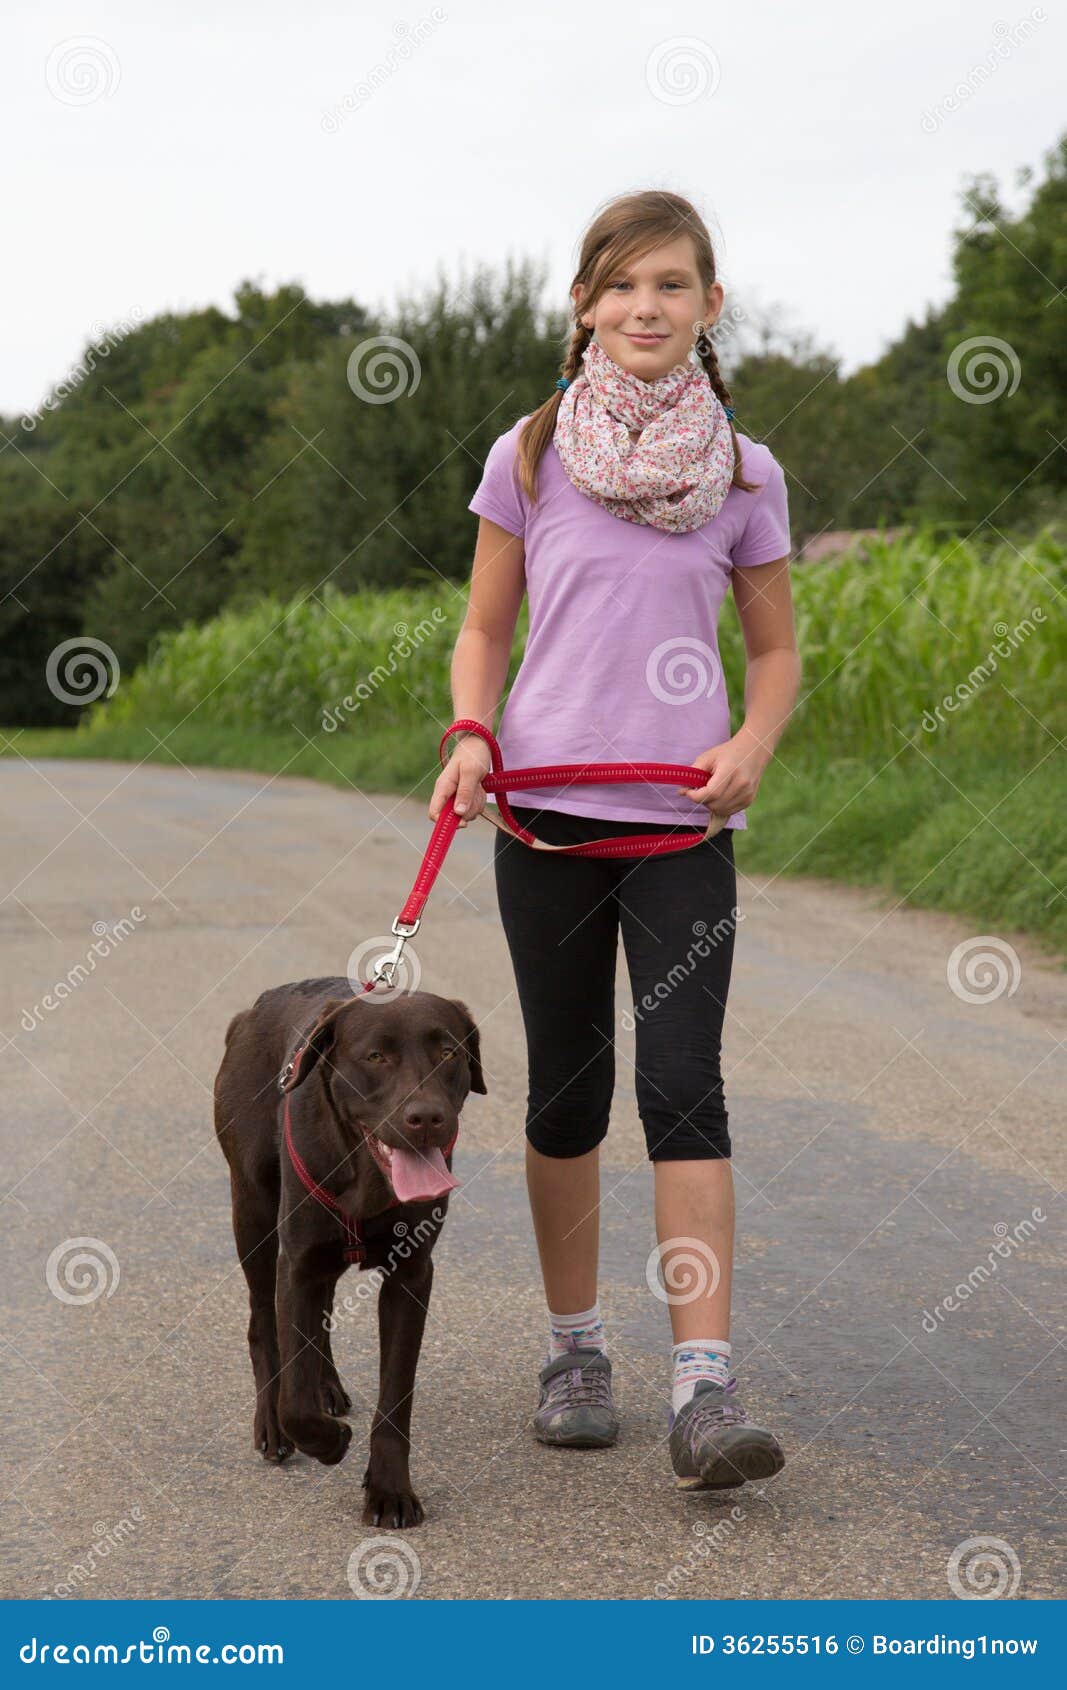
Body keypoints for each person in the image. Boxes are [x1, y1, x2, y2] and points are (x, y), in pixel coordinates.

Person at [429, 190, 800, 1493]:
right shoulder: (529, 456)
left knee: (684, 1086)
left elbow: (775, 652)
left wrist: (751, 744)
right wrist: (471, 734)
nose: (648, 307)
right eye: (624, 285)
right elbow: (485, 626)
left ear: (710, 304)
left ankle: (704, 1386)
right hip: (545, 820)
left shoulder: (744, 473)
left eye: (673, 284)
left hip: (681, 825)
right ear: (585, 304)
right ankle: (574, 1350)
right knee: (568, 1091)